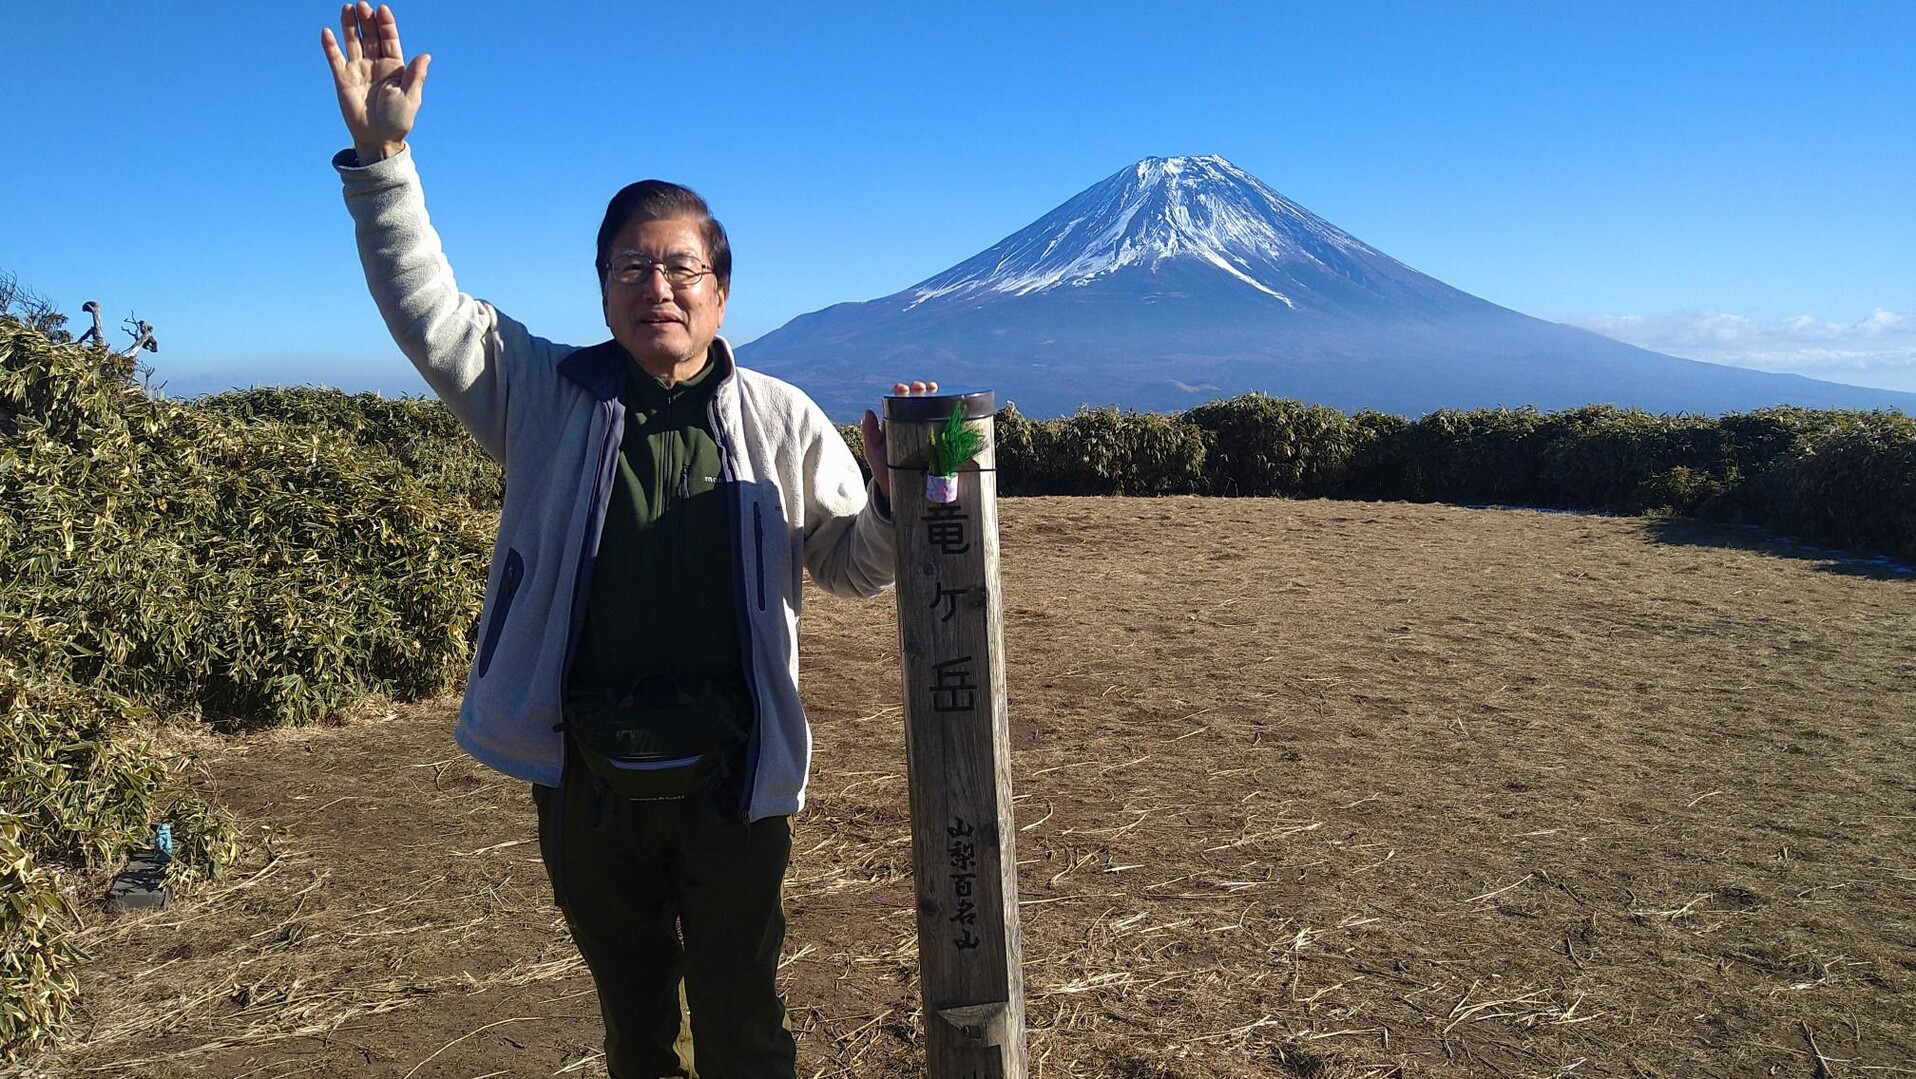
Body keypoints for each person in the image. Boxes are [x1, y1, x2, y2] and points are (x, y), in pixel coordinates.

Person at [320, 6, 932, 1076]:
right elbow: (426, 307)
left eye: (680, 269)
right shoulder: (543, 392)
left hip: (734, 776)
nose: (657, 287)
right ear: (600, 288)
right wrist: (383, 157)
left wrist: (886, 502)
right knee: (633, 1023)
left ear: (720, 288)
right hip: (582, 773)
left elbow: (852, 566)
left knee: (744, 1015)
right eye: (632, 269)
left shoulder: (782, 416)